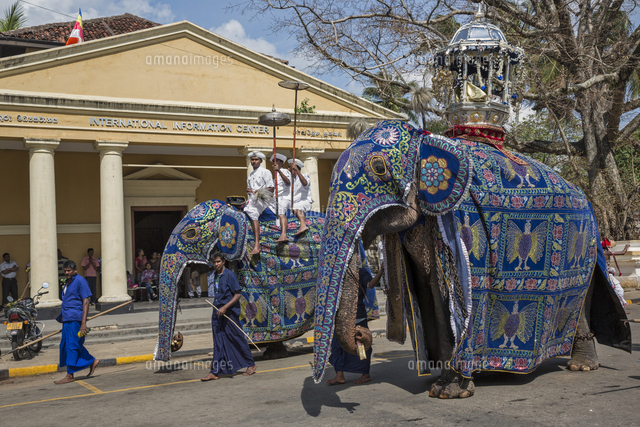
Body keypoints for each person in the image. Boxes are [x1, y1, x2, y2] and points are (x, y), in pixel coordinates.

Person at [326, 250, 383, 385]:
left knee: (360, 345)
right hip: (341, 317)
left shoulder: (361, 272)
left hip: (358, 315)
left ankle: (365, 374)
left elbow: (370, 285)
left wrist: (380, 272)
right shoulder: (338, 273)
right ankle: (339, 375)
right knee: (336, 345)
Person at [201, 252, 256, 381]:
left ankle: (251, 364)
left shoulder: (230, 275)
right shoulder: (215, 275)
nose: (216, 264)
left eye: (218, 262)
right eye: (214, 262)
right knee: (218, 341)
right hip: (217, 313)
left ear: (223, 262)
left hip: (229, 313)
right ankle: (215, 372)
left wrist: (225, 307)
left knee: (237, 338)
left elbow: (237, 294)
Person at [55, 260, 99, 384]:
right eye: (65, 271)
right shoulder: (68, 282)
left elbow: (86, 301)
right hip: (67, 318)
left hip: (76, 318)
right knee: (66, 344)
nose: (67, 273)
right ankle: (91, 360)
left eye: (69, 271)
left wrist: (83, 323)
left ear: (75, 270)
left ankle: (70, 375)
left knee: (72, 345)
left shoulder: (80, 281)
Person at [243, 151, 275, 255]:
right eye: (252, 160)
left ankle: (257, 244)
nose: (254, 161)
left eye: (256, 159)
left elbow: (271, 188)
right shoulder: (250, 175)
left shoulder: (265, 172)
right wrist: (249, 191)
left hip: (263, 198)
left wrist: (258, 191)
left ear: (260, 161)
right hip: (252, 198)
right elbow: (250, 189)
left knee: (251, 211)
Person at [270, 153, 292, 243]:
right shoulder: (274, 175)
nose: (274, 164)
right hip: (275, 199)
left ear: (282, 163)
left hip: (285, 198)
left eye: (276, 162)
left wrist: (279, 171)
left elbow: (288, 182)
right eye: (273, 162)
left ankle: (283, 234)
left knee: (281, 211)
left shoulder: (285, 172)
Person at [288, 158, 313, 235]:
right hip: (292, 202)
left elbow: (305, 183)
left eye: (289, 167)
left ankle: (303, 225)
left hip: (304, 202)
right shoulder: (290, 179)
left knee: (295, 206)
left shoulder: (305, 176)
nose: (288, 169)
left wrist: (297, 171)